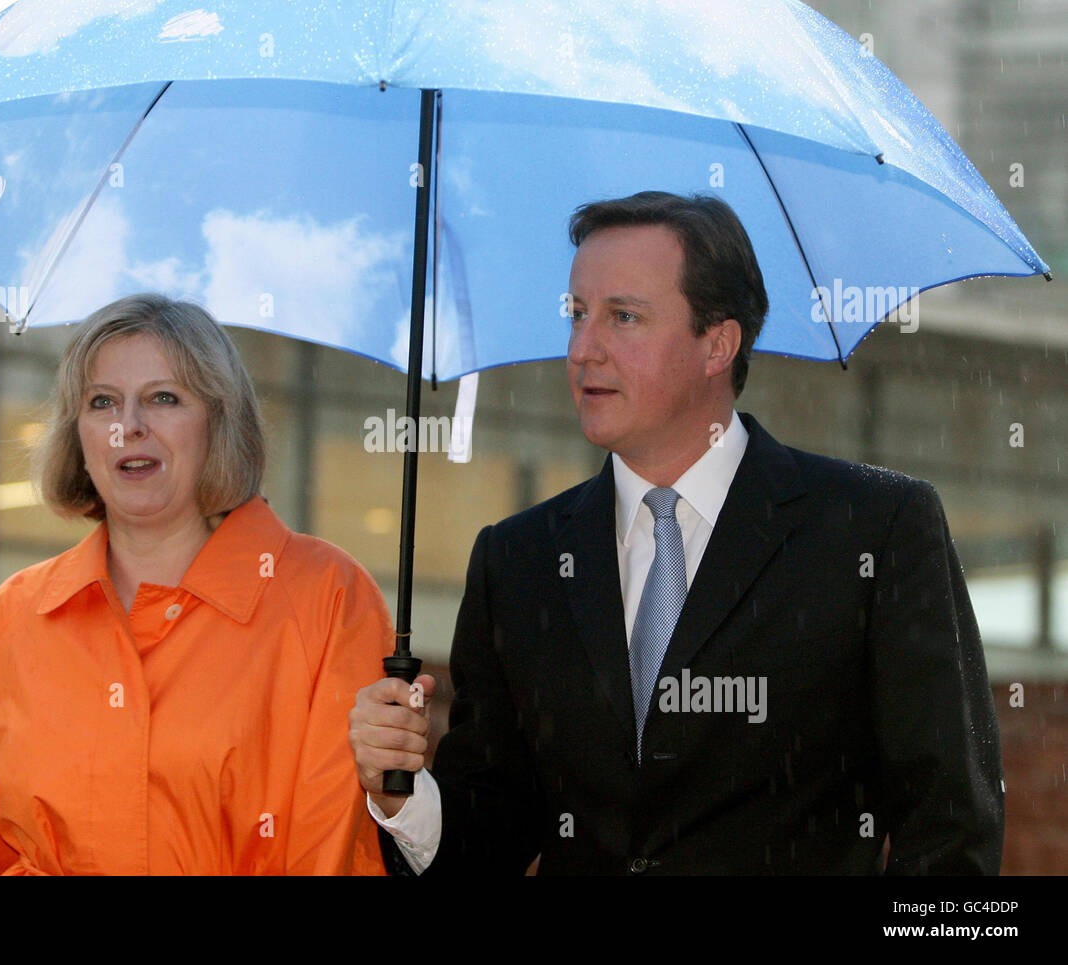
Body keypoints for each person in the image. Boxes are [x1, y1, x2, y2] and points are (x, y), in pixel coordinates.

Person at [349, 191, 1004, 875]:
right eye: (577, 315)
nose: (583, 349)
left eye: (623, 316)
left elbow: (951, 831)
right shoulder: (519, 559)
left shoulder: (875, 529)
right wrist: (401, 793)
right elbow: (487, 840)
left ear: (717, 343)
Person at [0, 294, 391, 875]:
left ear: (219, 422)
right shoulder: (15, 615)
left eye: (164, 398)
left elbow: (329, 855)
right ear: (77, 434)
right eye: (103, 402)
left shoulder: (325, 597)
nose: (130, 427)